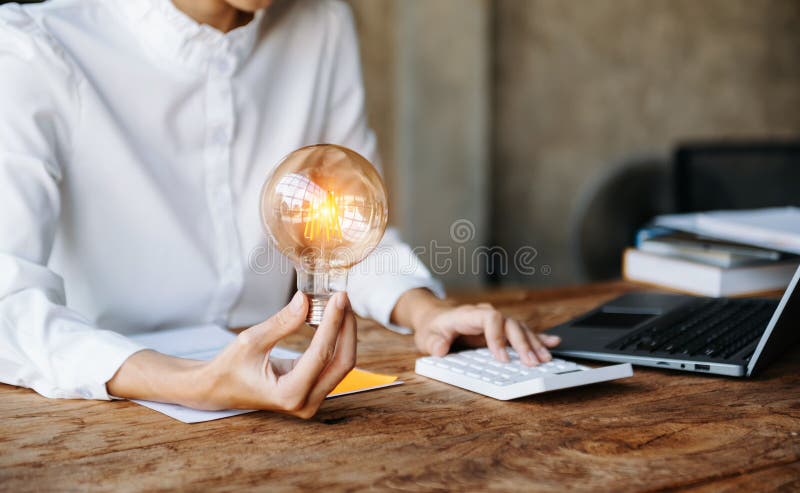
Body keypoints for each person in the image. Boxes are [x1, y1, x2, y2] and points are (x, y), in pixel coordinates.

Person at [0, 0, 560, 419]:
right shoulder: (34, 49)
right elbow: (8, 306)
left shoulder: (321, 24)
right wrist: (198, 382)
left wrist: (424, 311)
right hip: (95, 411)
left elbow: (346, 227)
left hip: (278, 413)